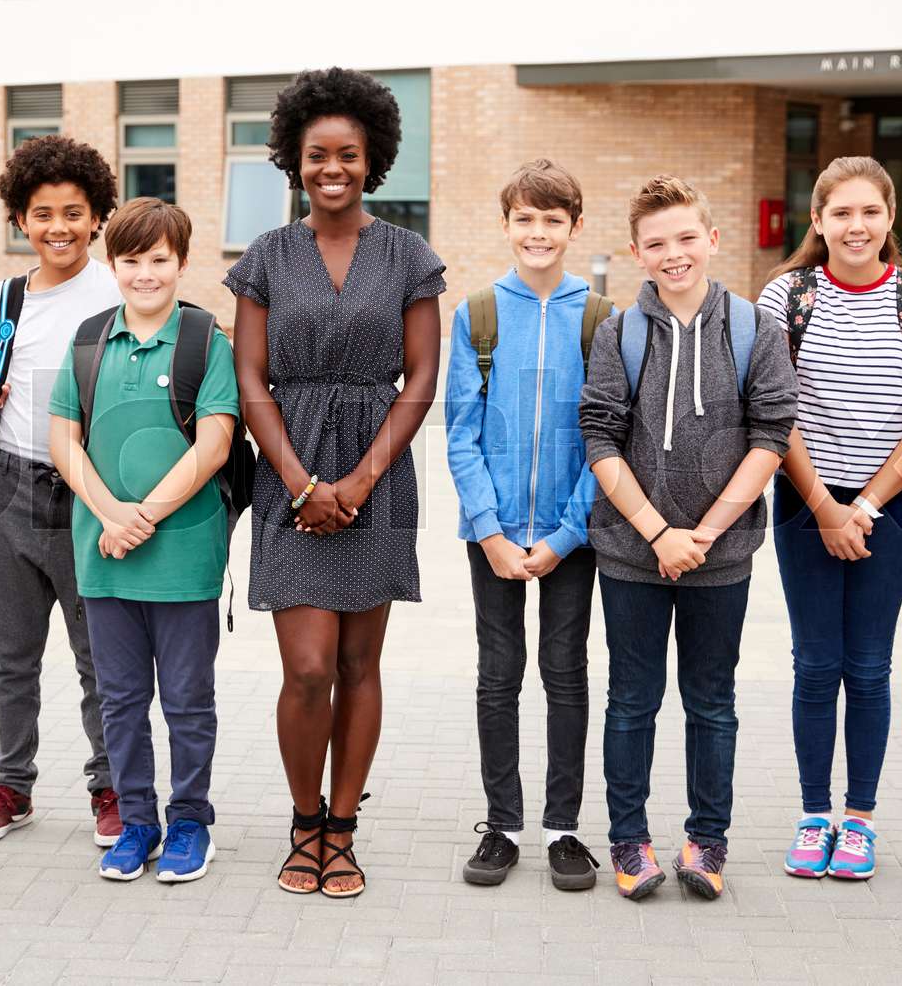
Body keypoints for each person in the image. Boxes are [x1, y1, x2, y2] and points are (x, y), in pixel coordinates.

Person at [225, 68, 446, 898]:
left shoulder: (408, 255)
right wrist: (297, 480)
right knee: (307, 667)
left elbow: (421, 376)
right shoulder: (267, 256)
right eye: (318, 154)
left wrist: (356, 479)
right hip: (290, 468)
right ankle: (303, 819)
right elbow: (251, 378)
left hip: (376, 470)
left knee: (359, 662)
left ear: (372, 158)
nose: (333, 169)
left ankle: (343, 829)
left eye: (348, 154)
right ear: (295, 158)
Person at [579, 175, 797, 901]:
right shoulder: (619, 331)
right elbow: (600, 435)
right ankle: (629, 841)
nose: (674, 254)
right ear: (638, 254)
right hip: (630, 555)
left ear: (711, 239)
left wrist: (701, 533)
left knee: (712, 702)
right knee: (631, 701)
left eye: (685, 238)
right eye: (656, 243)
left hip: (721, 555)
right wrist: (656, 532)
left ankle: (707, 840)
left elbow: (770, 435)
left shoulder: (752, 329)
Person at [755, 156, 902, 880]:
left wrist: (864, 506)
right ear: (818, 221)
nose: (856, 225)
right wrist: (825, 508)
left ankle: (860, 819)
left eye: (869, 211)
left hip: (891, 506)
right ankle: (814, 815)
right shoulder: (786, 295)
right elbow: (773, 411)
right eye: (841, 212)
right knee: (815, 664)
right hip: (805, 498)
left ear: (890, 217)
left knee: (868, 666)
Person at [48, 198, 238, 884]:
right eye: (132, 260)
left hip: (185, 558)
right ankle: (136, 822)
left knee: (188, 698)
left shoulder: (207, 341)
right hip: (104, 559)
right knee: (119, 699)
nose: (146, 273)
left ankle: (190, 821)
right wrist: (110, 514)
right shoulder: (88, 341)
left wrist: (144, 517)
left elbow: (214, 445)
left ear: (182, 263)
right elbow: (61, 440)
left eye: (160, 259)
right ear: (113, 264)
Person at [446, 159, 608, 890]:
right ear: (506, 224)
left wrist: (567, 534)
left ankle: (563, 827)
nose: (537, 232)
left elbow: (608, 436)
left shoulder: (604, 318)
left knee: (565, 672)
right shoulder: (476, 313)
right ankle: (503, 824)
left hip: (573, 535)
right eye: (524, 219)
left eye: (552, 220)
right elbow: (460, 433)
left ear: (575, 228)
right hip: (494, 533)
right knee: (497, 675)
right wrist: (490, 529)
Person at [0, 135, 123, 846]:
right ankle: (12, 785)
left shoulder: (119, 290)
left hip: (92, 494)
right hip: (12, 491)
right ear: (20, 220)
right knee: (11, 656)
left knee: (101, 658)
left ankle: (112, 786)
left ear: (98, 217)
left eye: (74, 212)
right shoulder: (6, 294)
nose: (58, 226)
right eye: (42, 213)